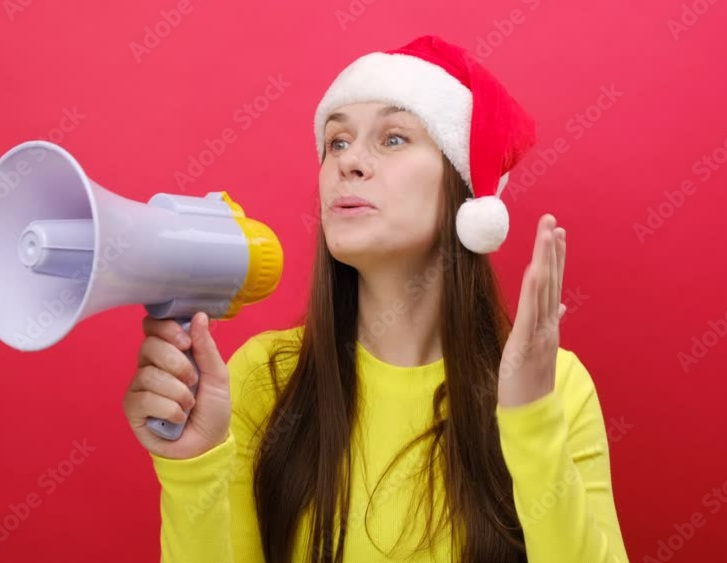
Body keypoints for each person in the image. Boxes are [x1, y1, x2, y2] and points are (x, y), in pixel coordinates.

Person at [123, 35, 629, 562]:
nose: (349, 163)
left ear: (463, 187)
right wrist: (193, 465)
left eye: (392, 139)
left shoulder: (556, 387)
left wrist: (530, 421)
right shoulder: (264, 376)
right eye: (337, 142)